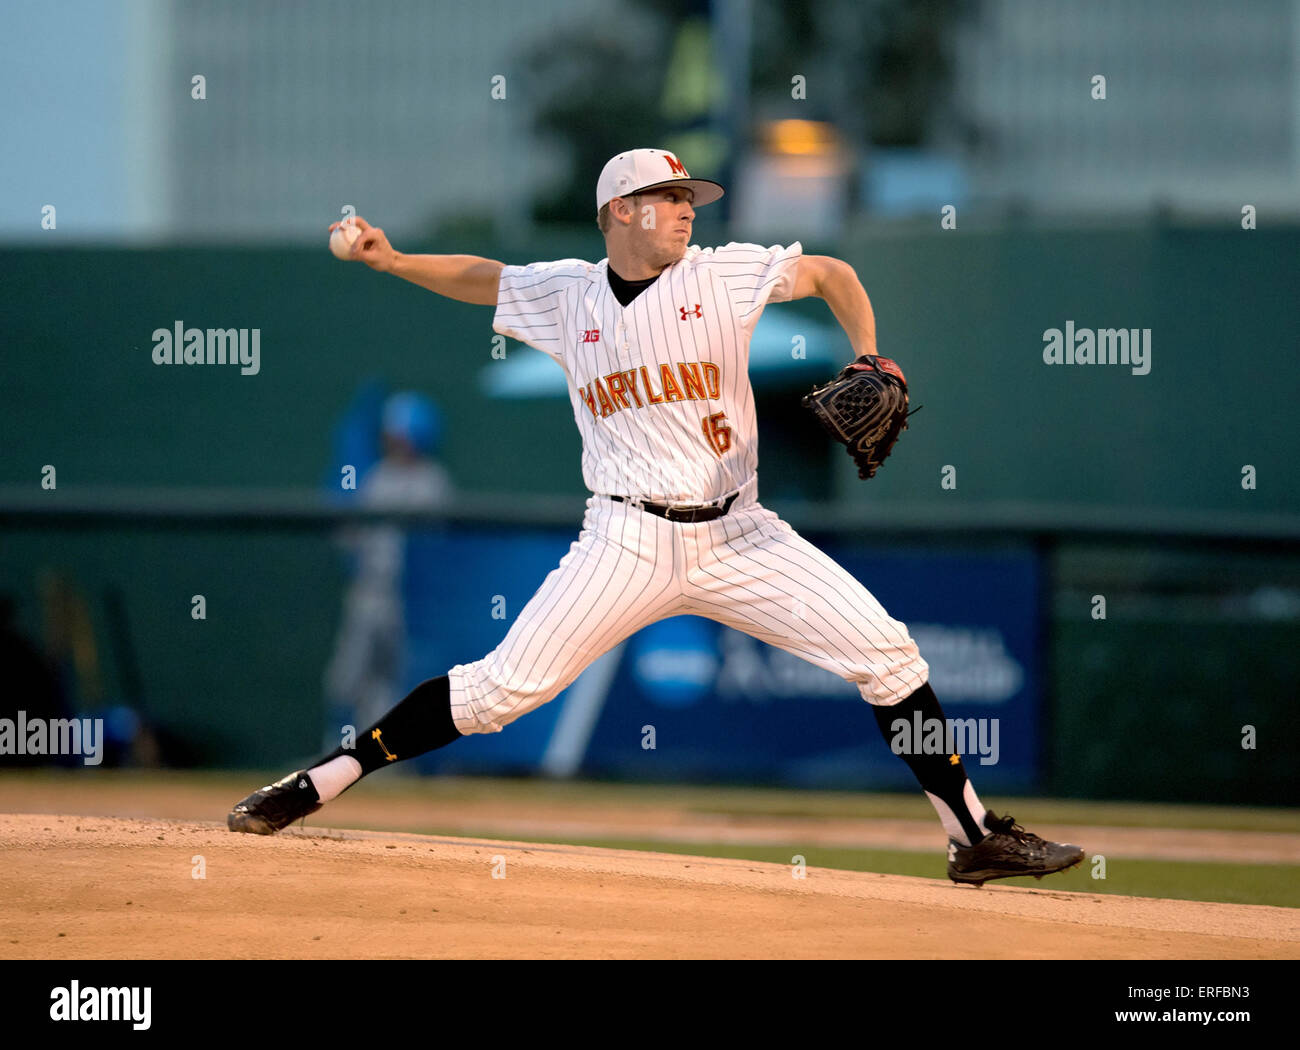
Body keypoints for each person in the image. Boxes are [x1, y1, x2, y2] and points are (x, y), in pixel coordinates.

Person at [229, 148, 1083, 887]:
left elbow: (833, 274)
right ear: (622, 214)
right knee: (498, 693)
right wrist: (394, 259)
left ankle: (972, 838)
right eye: (672, 200)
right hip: (626, 539)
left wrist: (870, 353)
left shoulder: (722, 274)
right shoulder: (569, 296)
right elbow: (483, 277)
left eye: (690, 201)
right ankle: (317, 784)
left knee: (890, 654)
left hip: (740, 532)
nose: (687, 212)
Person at [322, 392, 453, 742]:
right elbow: (352, 537)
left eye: (400, 433)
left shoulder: (431, 481)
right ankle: (335, 751)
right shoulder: (377, 476)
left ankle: (394, 759)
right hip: (368, 591)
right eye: (391, 434)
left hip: (410, 600)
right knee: (348, 676)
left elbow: (433, 548)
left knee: (400, 681)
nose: (394, 441)